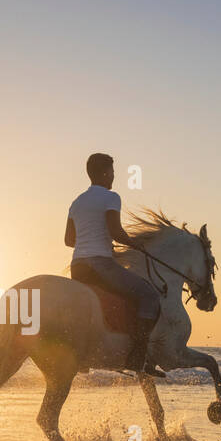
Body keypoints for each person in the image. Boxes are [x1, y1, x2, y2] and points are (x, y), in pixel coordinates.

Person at [65, 153, 164, 377]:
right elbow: (115, 231)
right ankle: (138, 358)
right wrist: (136, 243)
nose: (113, 177)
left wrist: (96, 241)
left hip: (78, 267)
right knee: (149, 295)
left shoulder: (77, 202)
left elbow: (69, 240)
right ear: (104, 173)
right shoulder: (111, 197)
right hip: (100, 265)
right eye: (111, 172)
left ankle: (84, 355)